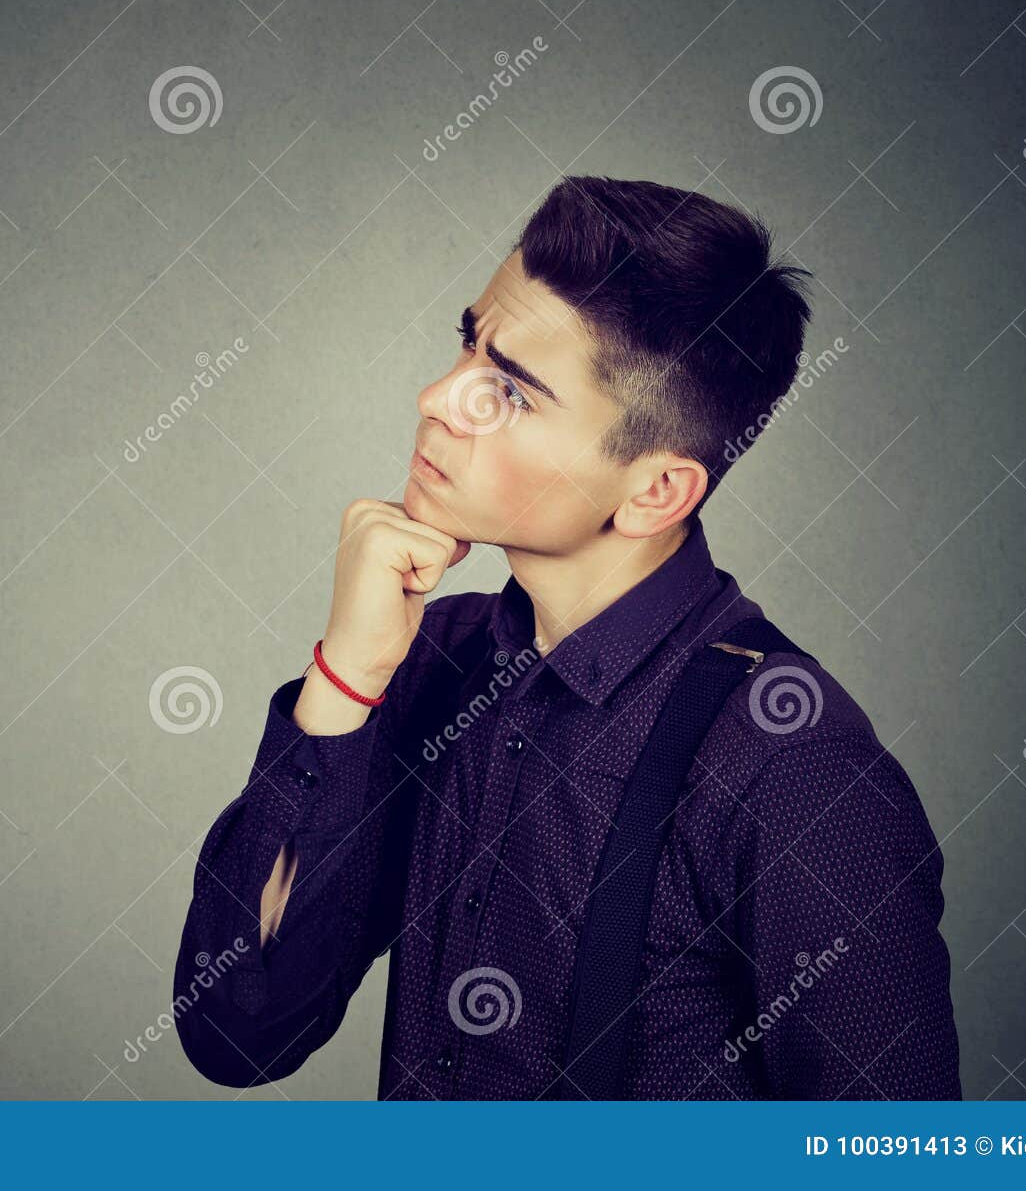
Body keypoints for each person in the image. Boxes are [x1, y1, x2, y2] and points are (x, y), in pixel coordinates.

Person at [171, 175, 962, 1100]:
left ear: (656, 491)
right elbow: (240, 1031)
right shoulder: (440, 660)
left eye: (509, 390)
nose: (438, 397)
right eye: (469, 346)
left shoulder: (793, 764)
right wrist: (346, 679)